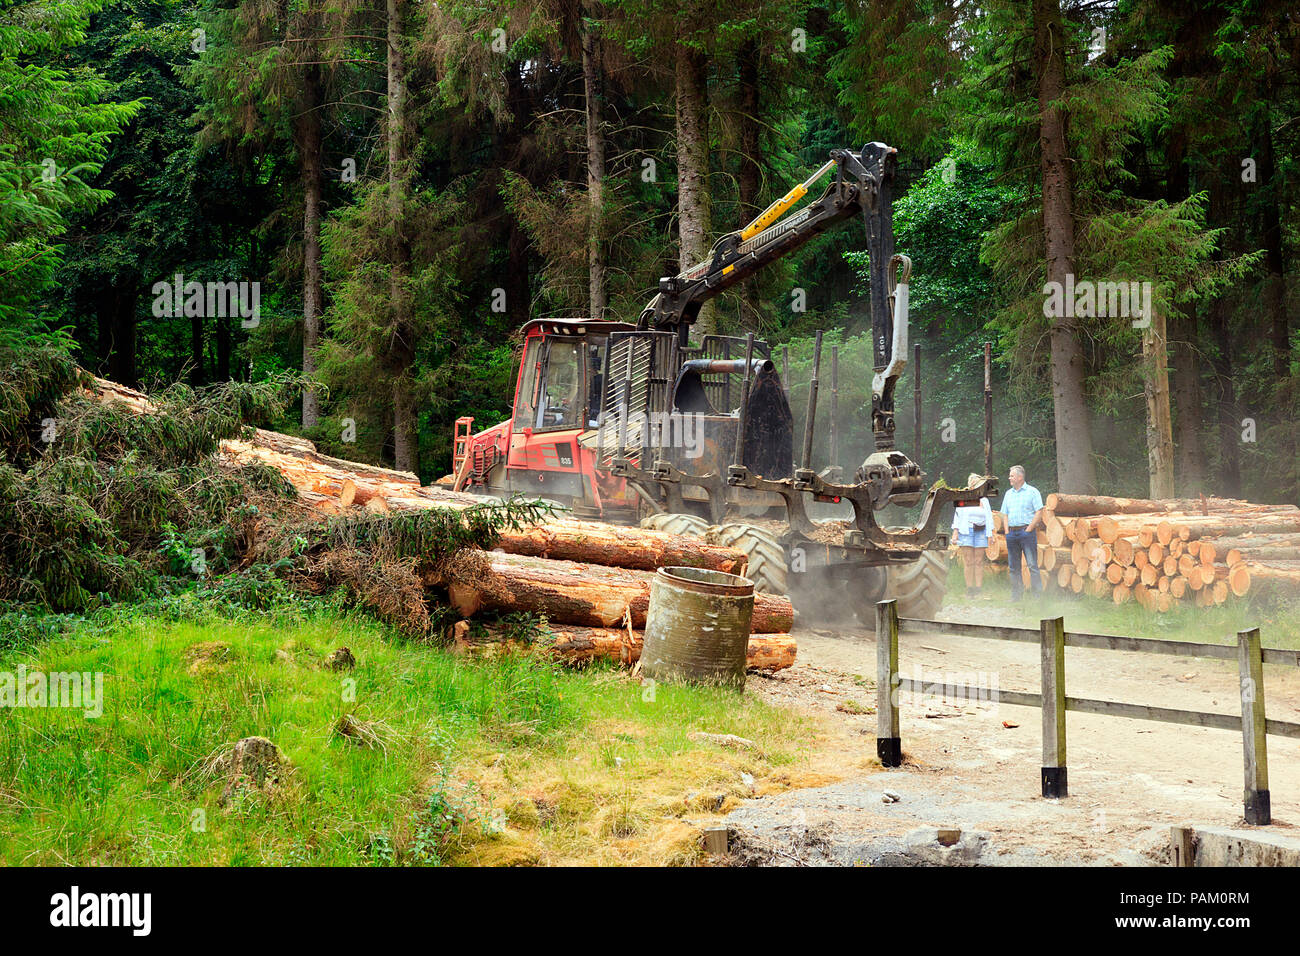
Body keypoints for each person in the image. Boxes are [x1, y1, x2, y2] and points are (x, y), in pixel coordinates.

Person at [999, 464, 1044, 600]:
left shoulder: (1032, 492)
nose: (1009, 478)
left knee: (1032, 565)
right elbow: (1004, 514)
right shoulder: (1008, 494)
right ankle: (1016, 596)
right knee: (1013, 567)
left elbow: (1039, 512)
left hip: (1026, 533)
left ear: (1020, 477)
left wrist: (1029, 529)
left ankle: (1037, 597)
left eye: (1012, 476)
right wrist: (1007, 531)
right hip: (1012, 534)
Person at [952, 473, 994, 596]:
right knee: (969, 561)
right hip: (966, 530)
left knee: (978, 561)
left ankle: (978, 588)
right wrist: (955, 532)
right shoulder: (963, 498)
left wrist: (990, 534)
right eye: (976, 485)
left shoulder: (984, 500)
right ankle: (970, 589)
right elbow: (957, 516)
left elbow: (989, 517)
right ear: (971, 486)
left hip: (981, 531)